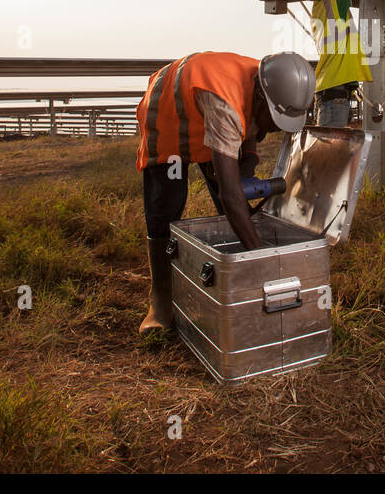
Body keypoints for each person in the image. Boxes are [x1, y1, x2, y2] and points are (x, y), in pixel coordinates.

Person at [134, 51, 315, 333]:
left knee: (231, 201)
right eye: (275, 118)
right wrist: (263, 261)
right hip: (168, 117)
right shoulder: (225, 106)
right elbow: (231, 196)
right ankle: (161, 303)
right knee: (166, 207)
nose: (274, 128)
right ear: (261, 98)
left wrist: (249, 161)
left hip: (205, 113)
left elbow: (253, 123)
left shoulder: (270, 81)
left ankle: (240, 287)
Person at [305, 0, 380, 126]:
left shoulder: (320, 9)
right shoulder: (334, 2)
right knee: (329, 149)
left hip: (329, 89)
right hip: (334, 92)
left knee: (328, 147)